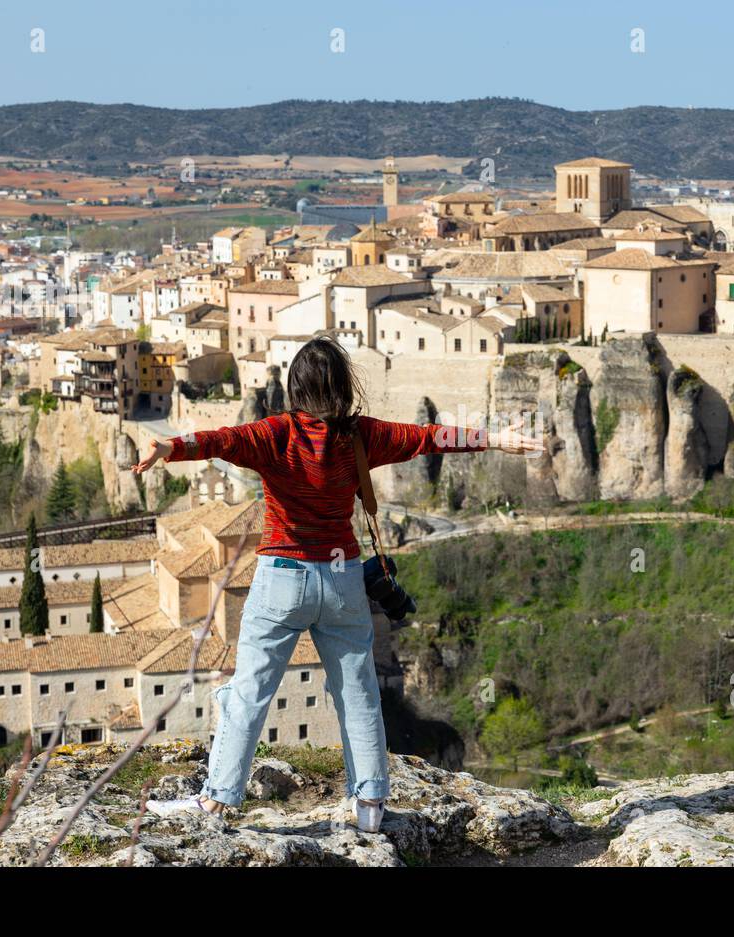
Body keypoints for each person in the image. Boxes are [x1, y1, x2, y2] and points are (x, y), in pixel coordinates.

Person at [137, 336, 542, 831]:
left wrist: (168, 447)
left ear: (295, 386)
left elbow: (219, 441)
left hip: (282, 577)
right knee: (358, 692)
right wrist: (497, 438)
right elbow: (428, 437)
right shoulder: (362, 436)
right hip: (342, 578)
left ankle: (217, 801)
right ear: (343, 386)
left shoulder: (274, 434)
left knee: (249, 693)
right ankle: (370, 805)